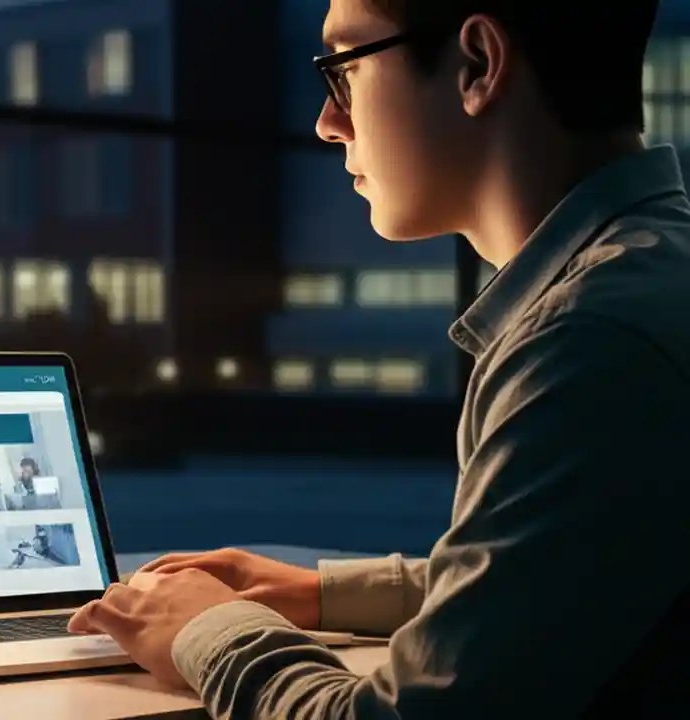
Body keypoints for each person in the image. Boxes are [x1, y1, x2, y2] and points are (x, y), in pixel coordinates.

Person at [69, 1, 690, 716]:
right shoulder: (647, 280)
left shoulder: (593, 341)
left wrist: (204, 632)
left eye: (345, 70)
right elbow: (575, 576)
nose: (327, 123)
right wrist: (319, 593)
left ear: (477, 66)